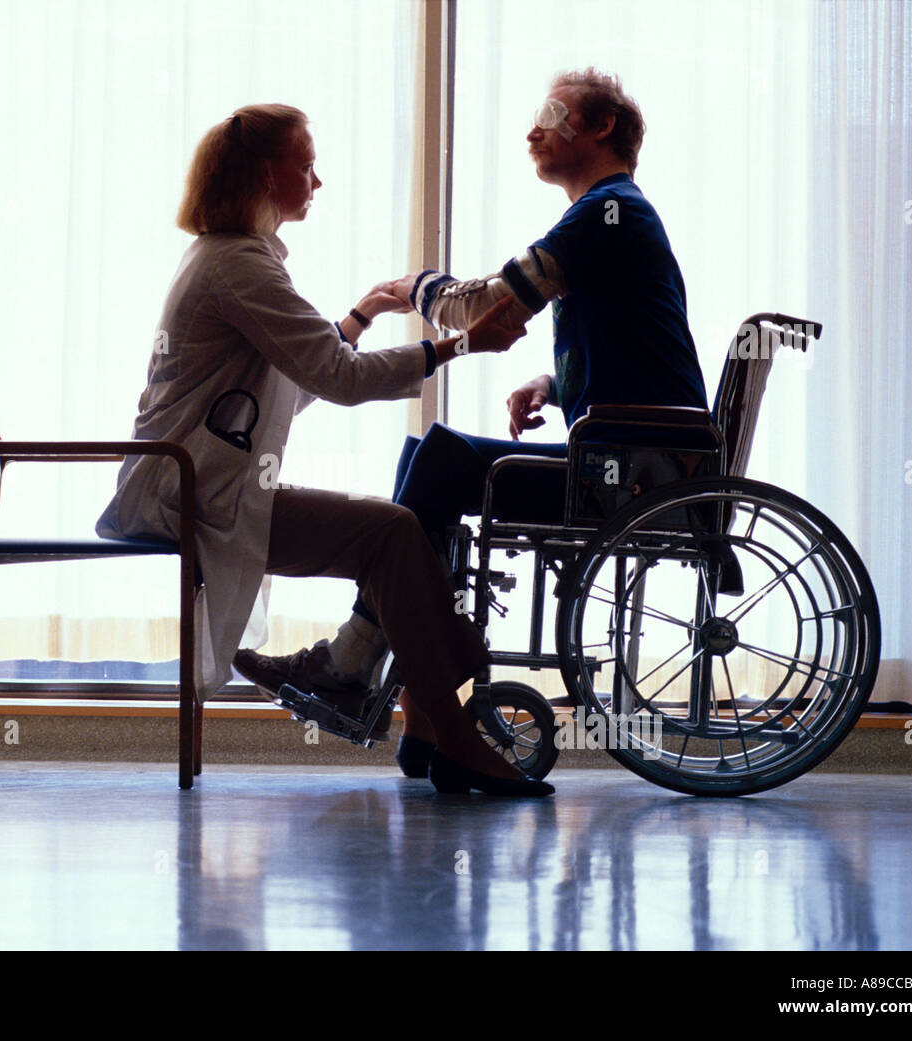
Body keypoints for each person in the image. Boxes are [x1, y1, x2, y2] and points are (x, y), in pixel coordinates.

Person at [234, 69, 709, 778]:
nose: (531, 129)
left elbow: (483, 304)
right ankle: (415, 712)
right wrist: (553, 382)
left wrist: (412, 287)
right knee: (426, 455)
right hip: (633, 453)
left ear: (601, 127)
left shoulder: (609, 213)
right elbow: (636, 355)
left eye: (551, 113)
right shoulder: (614, 219)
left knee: (442, 455)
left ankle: (360, 662)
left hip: (638, 472)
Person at [96, 103, 553, 796]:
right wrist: (460, 343)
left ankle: (403, 702)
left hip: (198, 485)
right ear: (263, 173)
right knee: (393, 532)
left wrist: (362, 316)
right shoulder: (238, 267)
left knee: (392, 531)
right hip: (189, 495)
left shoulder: (233, 260)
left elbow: (295, 382)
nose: (318, 179)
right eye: (306, 165)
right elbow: (336, 380)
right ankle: (445, 722)